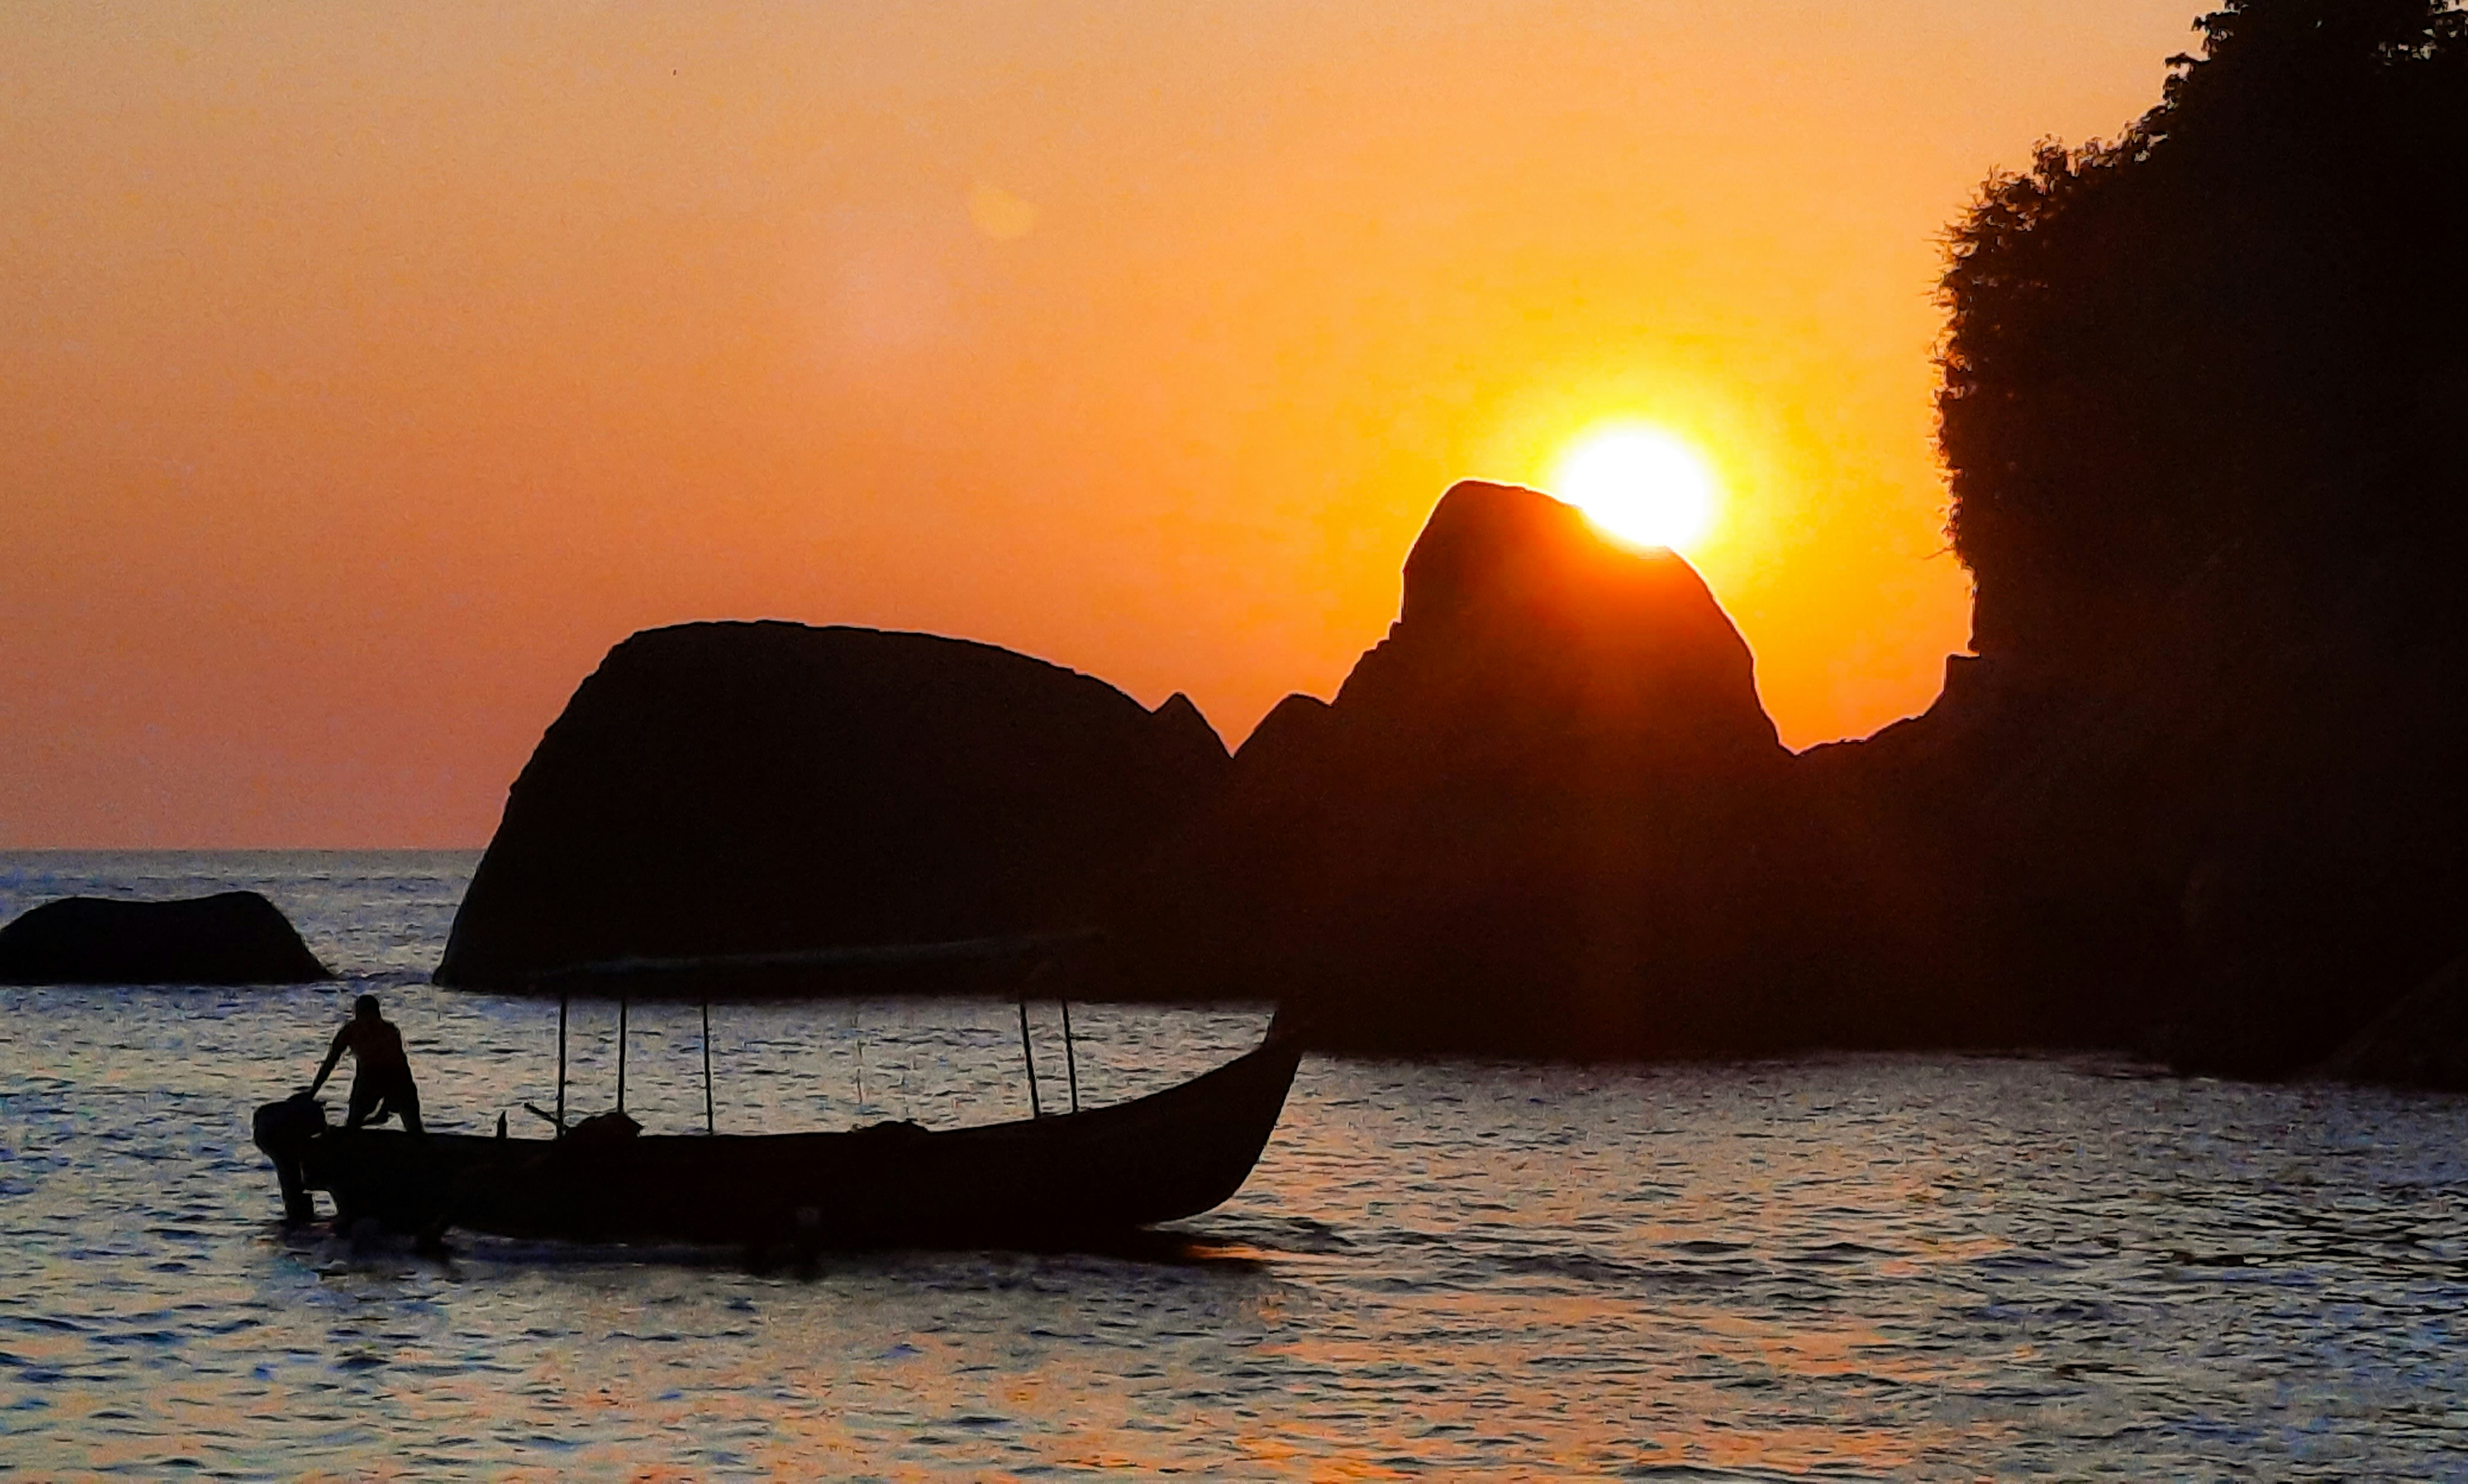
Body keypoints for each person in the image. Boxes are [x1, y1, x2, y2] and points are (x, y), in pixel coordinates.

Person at [307, 993, 423, 1134]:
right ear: (358, 1016)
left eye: (373, 1019)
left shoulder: (389, 1032)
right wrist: (313, 1092)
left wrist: (386, 1107)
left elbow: (400, 1072)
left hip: (397, 1078)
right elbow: (330, 1062)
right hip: (368, 1079)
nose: (369, 1026)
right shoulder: (350, 1031)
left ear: (378, 1016)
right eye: (364, 1018)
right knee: (353, 1124)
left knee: (414, 1125)